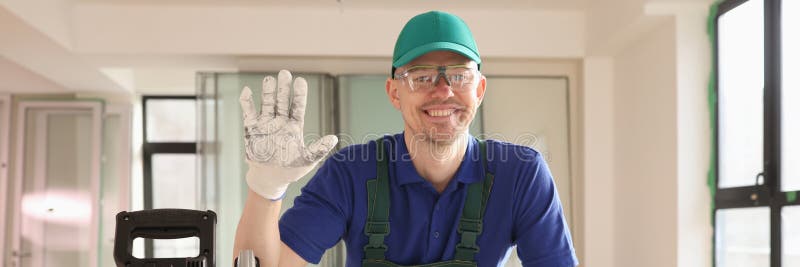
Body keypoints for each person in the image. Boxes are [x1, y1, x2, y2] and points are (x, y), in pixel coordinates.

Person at [233, 11, 578, 267]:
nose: (443, 91)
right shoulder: (349, 175)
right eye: (422, 77)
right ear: (394, 93)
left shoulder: (521, 175)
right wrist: (266, 188)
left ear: (479, 90)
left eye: (459, 76)